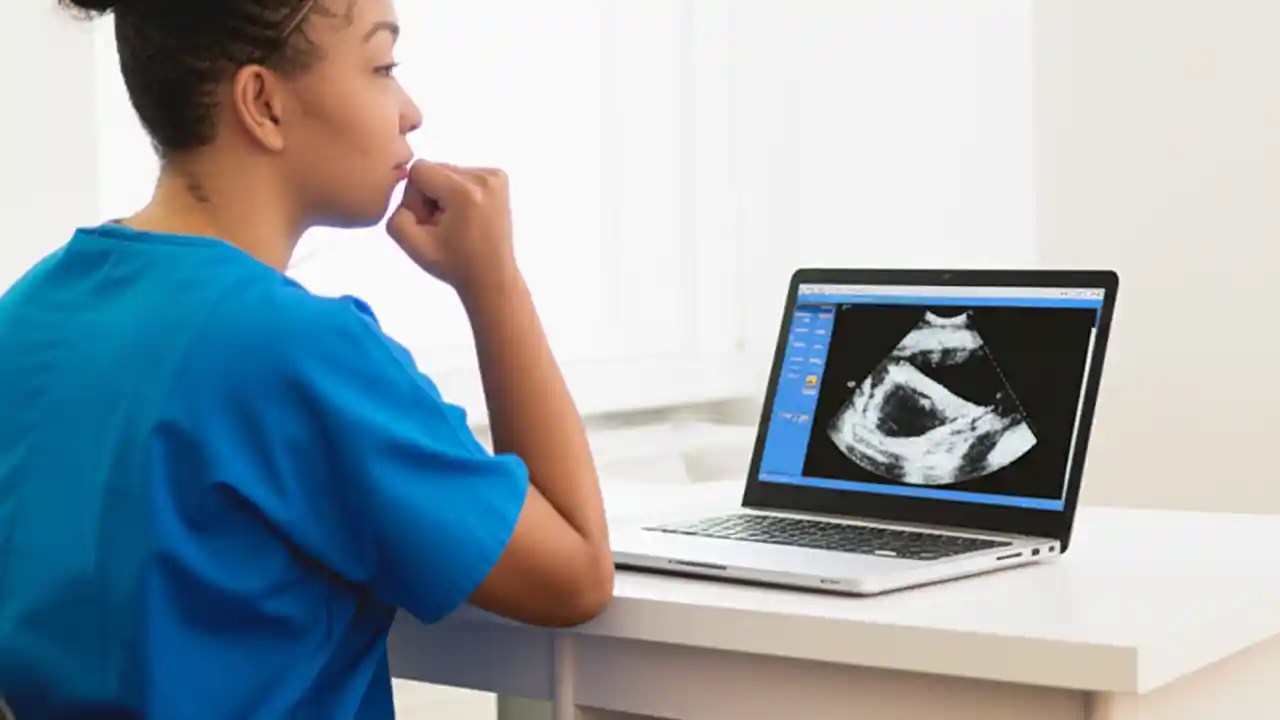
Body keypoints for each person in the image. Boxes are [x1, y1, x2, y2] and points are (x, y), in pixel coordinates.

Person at [0, 0, 614, 717]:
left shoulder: (29, 311)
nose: (410, 112)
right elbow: (575, 576)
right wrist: (494, 283)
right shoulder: (299, 353)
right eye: (382, 66)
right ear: (262, 103)